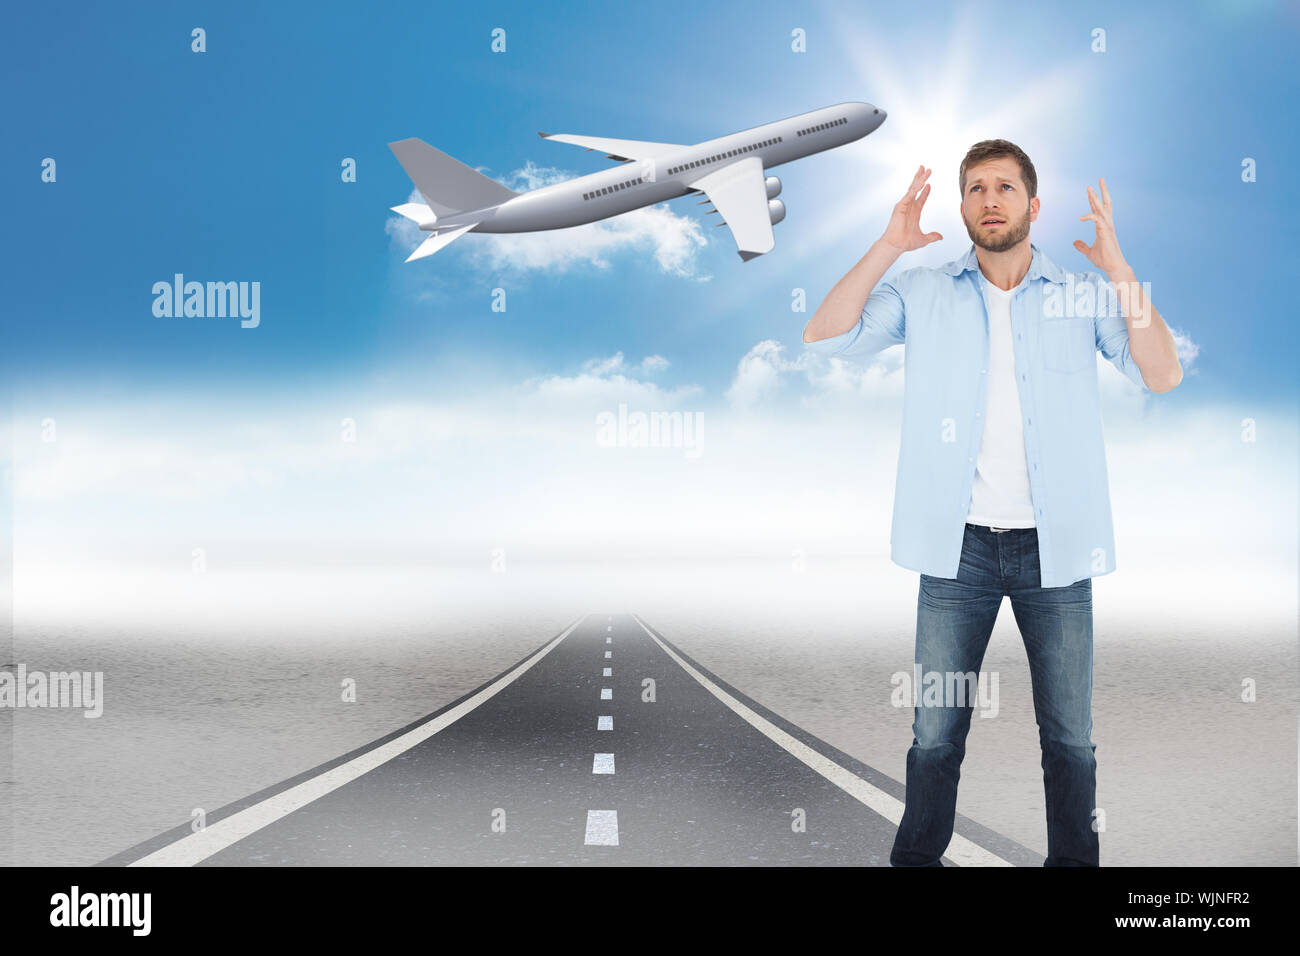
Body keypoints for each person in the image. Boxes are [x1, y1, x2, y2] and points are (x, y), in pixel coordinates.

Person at [802, 140, 1182, 866]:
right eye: (976, 188)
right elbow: (824, 337)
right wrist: (888, 244)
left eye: (1006, 186)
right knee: (935, 734)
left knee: (1070, 738)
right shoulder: (922, 289)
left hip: (1057, 551)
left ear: (1033, 206)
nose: (991, 199)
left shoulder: (1082, 294)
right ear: (964, 206)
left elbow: (1160, 375)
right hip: (958, 550)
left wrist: (1121, 271)